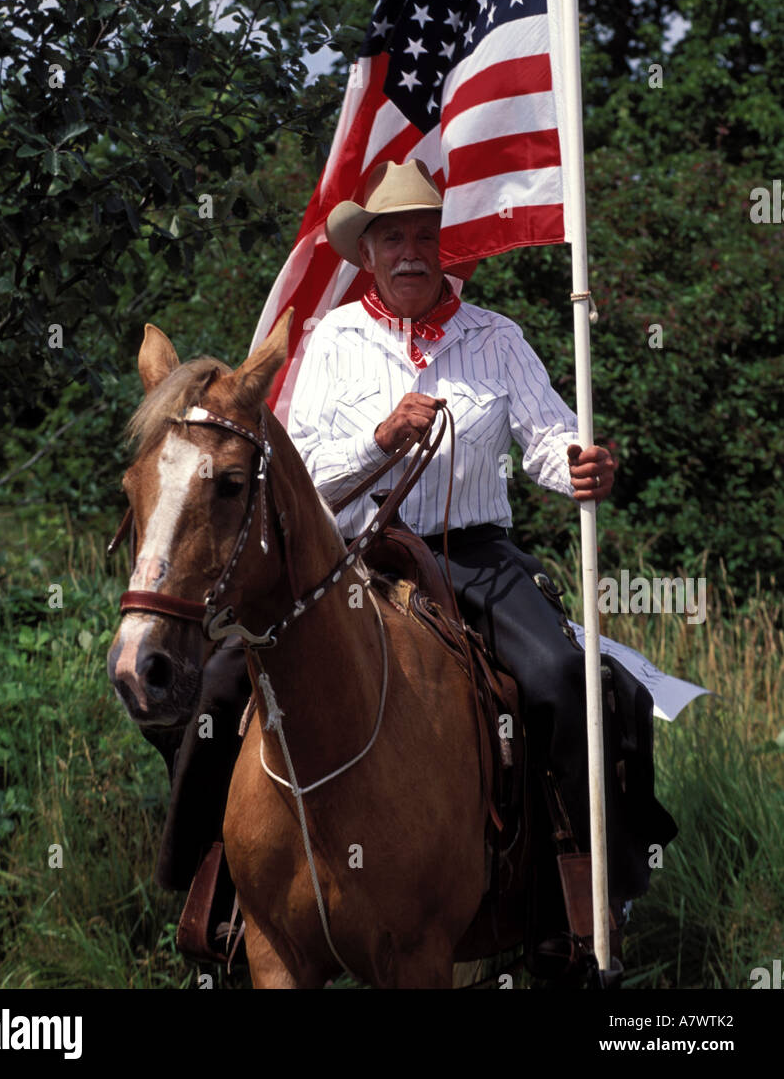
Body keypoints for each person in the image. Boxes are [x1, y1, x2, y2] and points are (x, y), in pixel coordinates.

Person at [287, 158, 678, 960]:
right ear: (367, 254)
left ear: (445, 249)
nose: (409, 251)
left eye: (424, 236)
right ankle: (222, 890)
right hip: (354, 558)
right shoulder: (331, 339)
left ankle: (585, 894)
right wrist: (378, 439)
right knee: (224, 676)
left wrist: (578, 463)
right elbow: (300, 477)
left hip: (473, 554)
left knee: (567, 682)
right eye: (391, 237)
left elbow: (545, 434)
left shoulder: (495, 337)